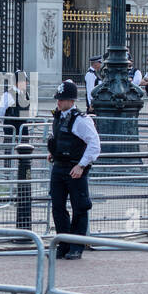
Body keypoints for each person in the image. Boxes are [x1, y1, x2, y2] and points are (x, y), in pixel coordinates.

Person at [47, 79, 101, 260]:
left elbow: (94, 145)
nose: (58, 102)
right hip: (59, 167)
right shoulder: (58, 116)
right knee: (58, 207)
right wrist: (53, 153)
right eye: (58, 99)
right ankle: (64, 243)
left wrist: (81, 165)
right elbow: (58, 139)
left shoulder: (82, 120)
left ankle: (77, 246)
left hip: (75, 169)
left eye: (62, 99)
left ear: (71, 101)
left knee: (80, 208)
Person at [0, 71, 31, 141]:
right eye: (24, 81)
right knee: (9, 147)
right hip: (11, 126)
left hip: (23, 126)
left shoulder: (26, 94)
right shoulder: (8, 94)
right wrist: (7, 122)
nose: (26, 83)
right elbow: (0, 112)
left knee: (24, 148)